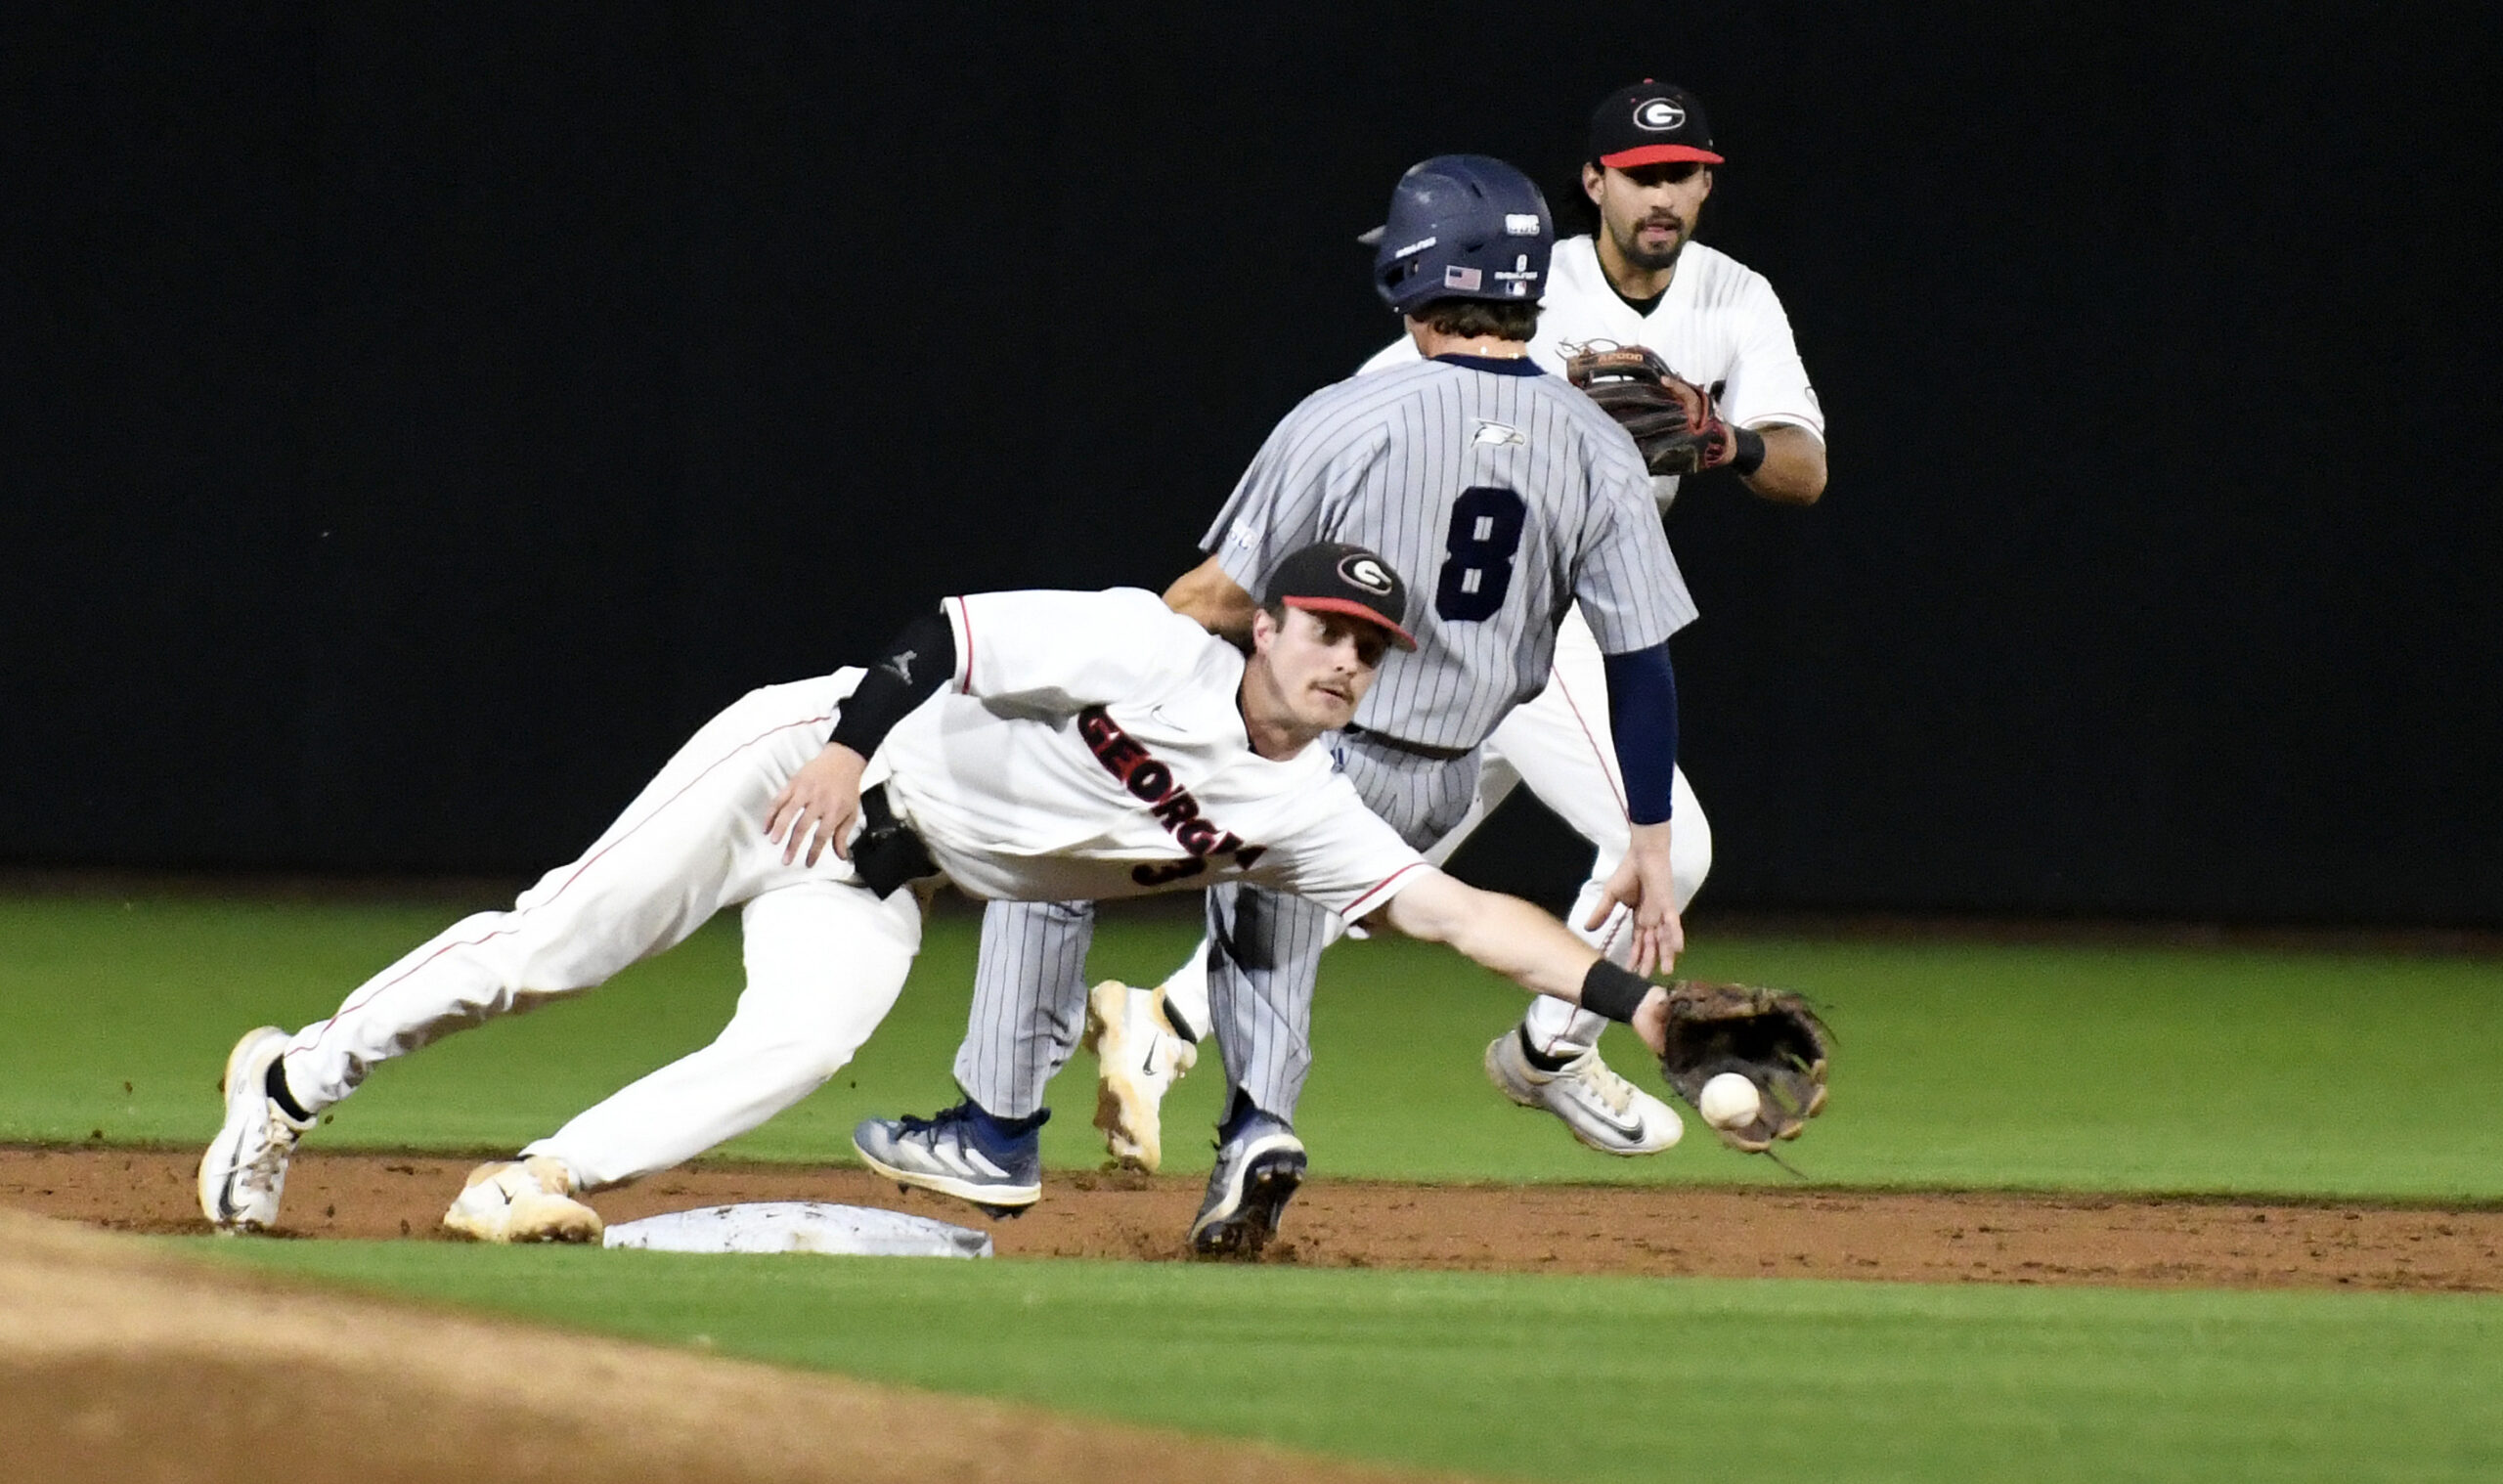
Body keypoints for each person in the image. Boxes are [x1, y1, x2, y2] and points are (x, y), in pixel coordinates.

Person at [197, 543, 1689, 1252]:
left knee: (803, 1039)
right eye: (1326, 630)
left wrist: (1650, 1002)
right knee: (558, 950)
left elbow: (1464, 914)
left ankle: (536, 1176)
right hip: (801, 763)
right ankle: (291, 1078)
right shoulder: (1144, 647)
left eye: (1371, 646)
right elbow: (945, 634)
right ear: (1272, 623)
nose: (1347, 661)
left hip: (878, 875)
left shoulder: (1303, 804)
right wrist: (845, 746)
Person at [863, 153, 1699, 1253]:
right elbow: (1641, 657)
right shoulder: (1597, 441)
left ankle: (998, 1130)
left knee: (1051, 858)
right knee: (1271, 935)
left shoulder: (1351, 413)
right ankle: (1258, 1129)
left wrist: (1123, 666)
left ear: (1411, 270)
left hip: (1297, 737)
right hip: (1439, 775)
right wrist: (1645, 832)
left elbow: (1218, 597)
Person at [1082, 79, 1830, 1168]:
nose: (1662, 194)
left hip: (1554, 604)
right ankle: (1553, 1050)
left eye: (1684, 175)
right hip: (1498, 613)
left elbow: (1803, 471)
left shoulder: (1735, 298)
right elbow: (1381, 408)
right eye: (1640, 175)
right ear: (1595, 184)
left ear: (1707, 184)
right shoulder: (1535, 283)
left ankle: (1166, 1025)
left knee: (1384, 859)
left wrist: (1726, 444)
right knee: (1665, 840)